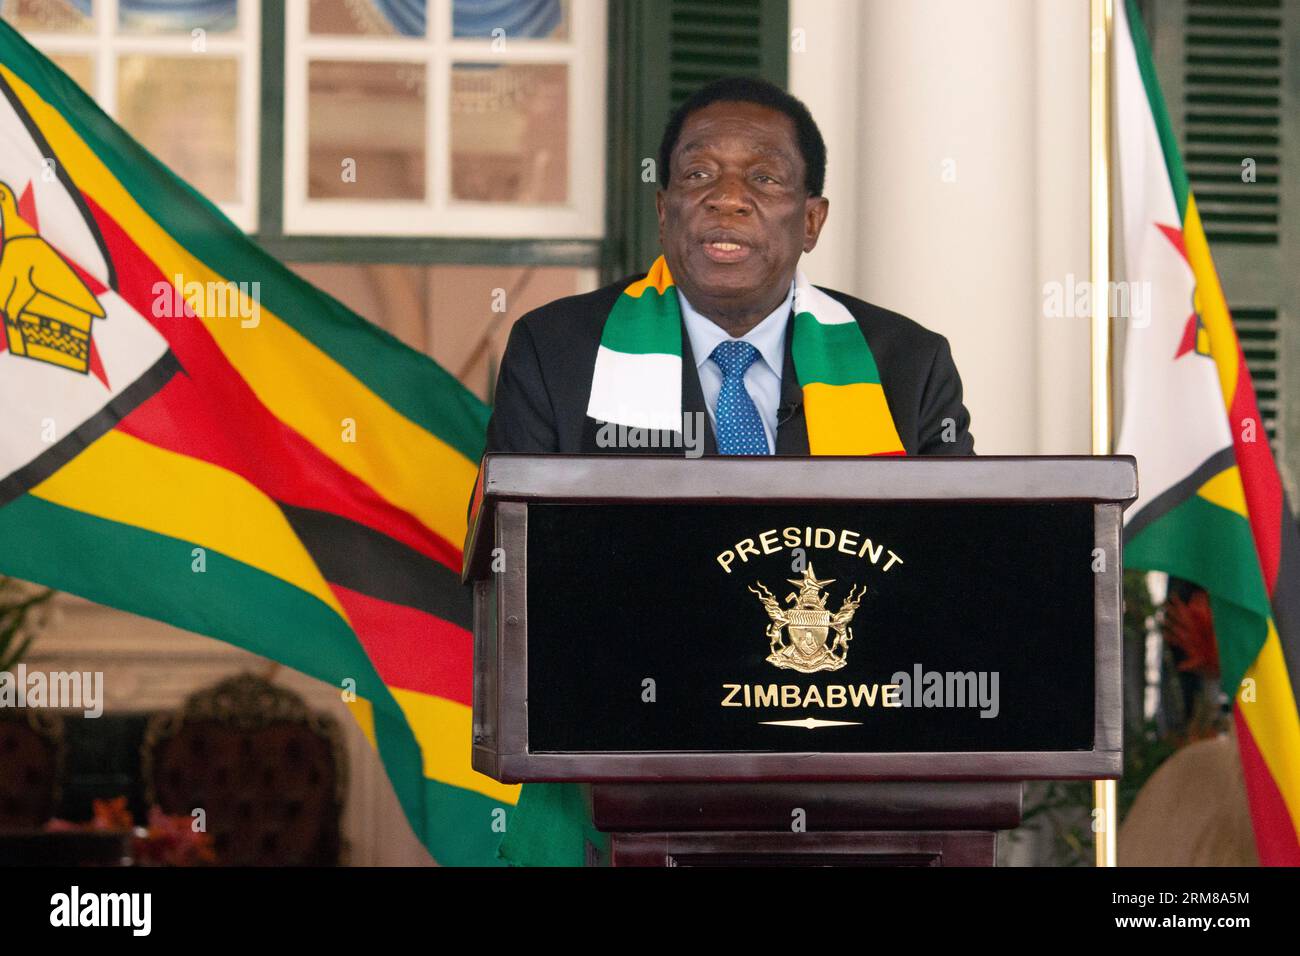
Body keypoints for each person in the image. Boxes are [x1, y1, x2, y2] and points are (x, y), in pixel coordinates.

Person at [480, 76, 976, 866]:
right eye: (699, 175)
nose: (728, 199)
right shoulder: (559, 353)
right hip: (623, 778)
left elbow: (955, 584)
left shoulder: (906, 366)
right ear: (664, 209)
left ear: (810, 220)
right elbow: (517, 576)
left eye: (766, 178)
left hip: (854, 788)